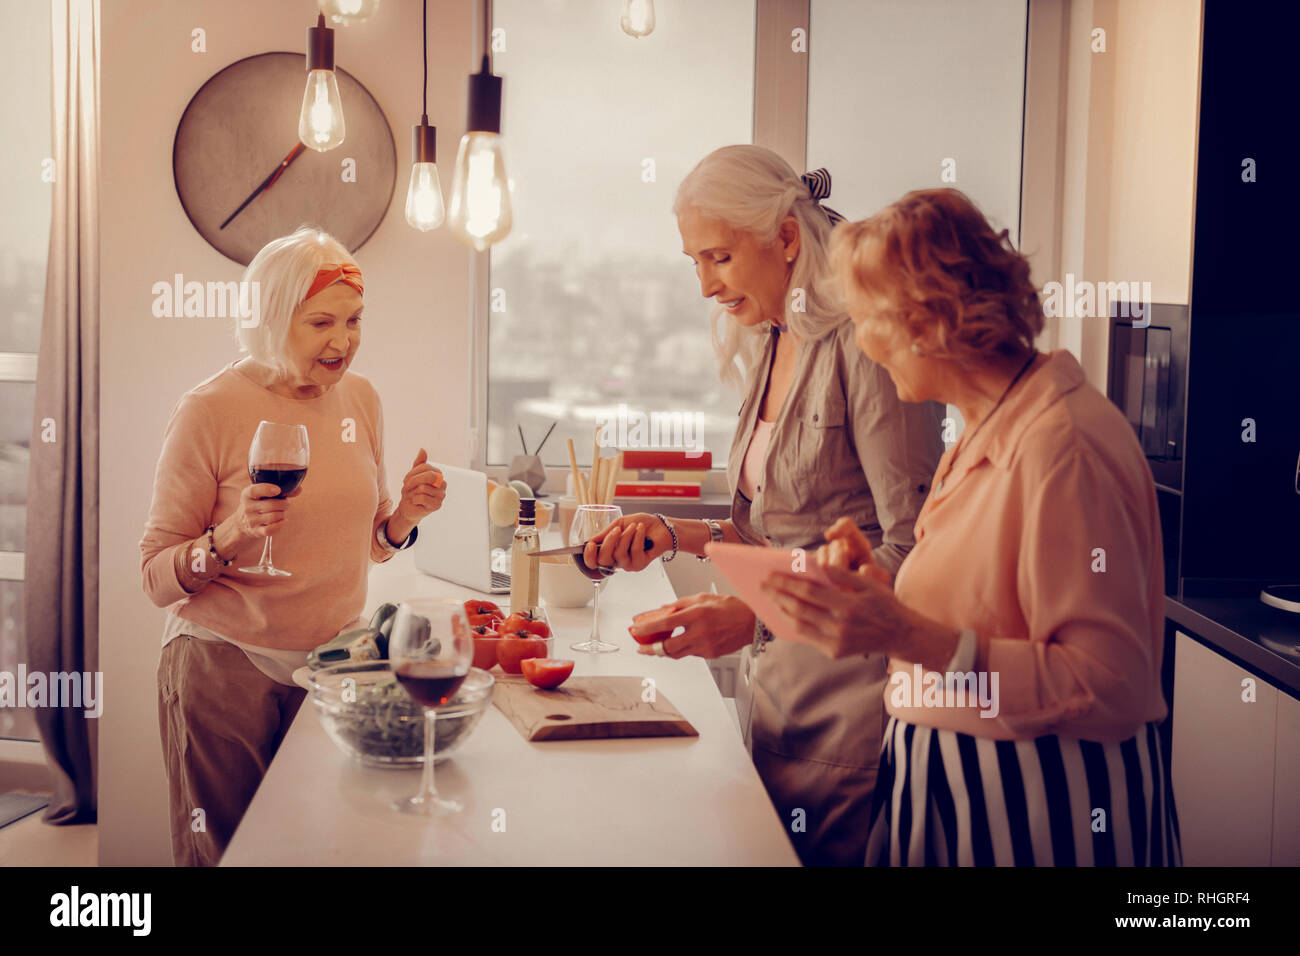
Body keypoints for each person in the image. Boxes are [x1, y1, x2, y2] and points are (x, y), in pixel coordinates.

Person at [762, 188, 1181, 866]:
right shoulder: (989, 422)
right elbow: (982, 617)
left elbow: (1109, 682)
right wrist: (882, 598)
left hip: (1042, 815)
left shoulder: (1061, 446)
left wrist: (900, 631)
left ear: (925, 323)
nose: (863, 342)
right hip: (958, 800)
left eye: (867, 319)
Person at [586, 146, 944, 865]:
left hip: (850, 711)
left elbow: (913, 550)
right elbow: (768, 531)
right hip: (777, 695)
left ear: (785, 239)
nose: (705, 286)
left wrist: (752, 615)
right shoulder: (776, 341)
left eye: (718, 257)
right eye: (694, 262)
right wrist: (673, 534)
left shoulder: (864, 347)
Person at [140, 226, 446, 866]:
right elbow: (156, 576)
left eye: (355, 320)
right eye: (321, 323)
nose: (344, 341)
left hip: (333, 665)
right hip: (226, 665)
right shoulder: (209, 409)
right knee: (226, 857)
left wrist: (403, 519)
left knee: (319, 851)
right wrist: (233, 534)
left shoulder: (360, 398)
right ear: (273, 318)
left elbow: (367, 542)